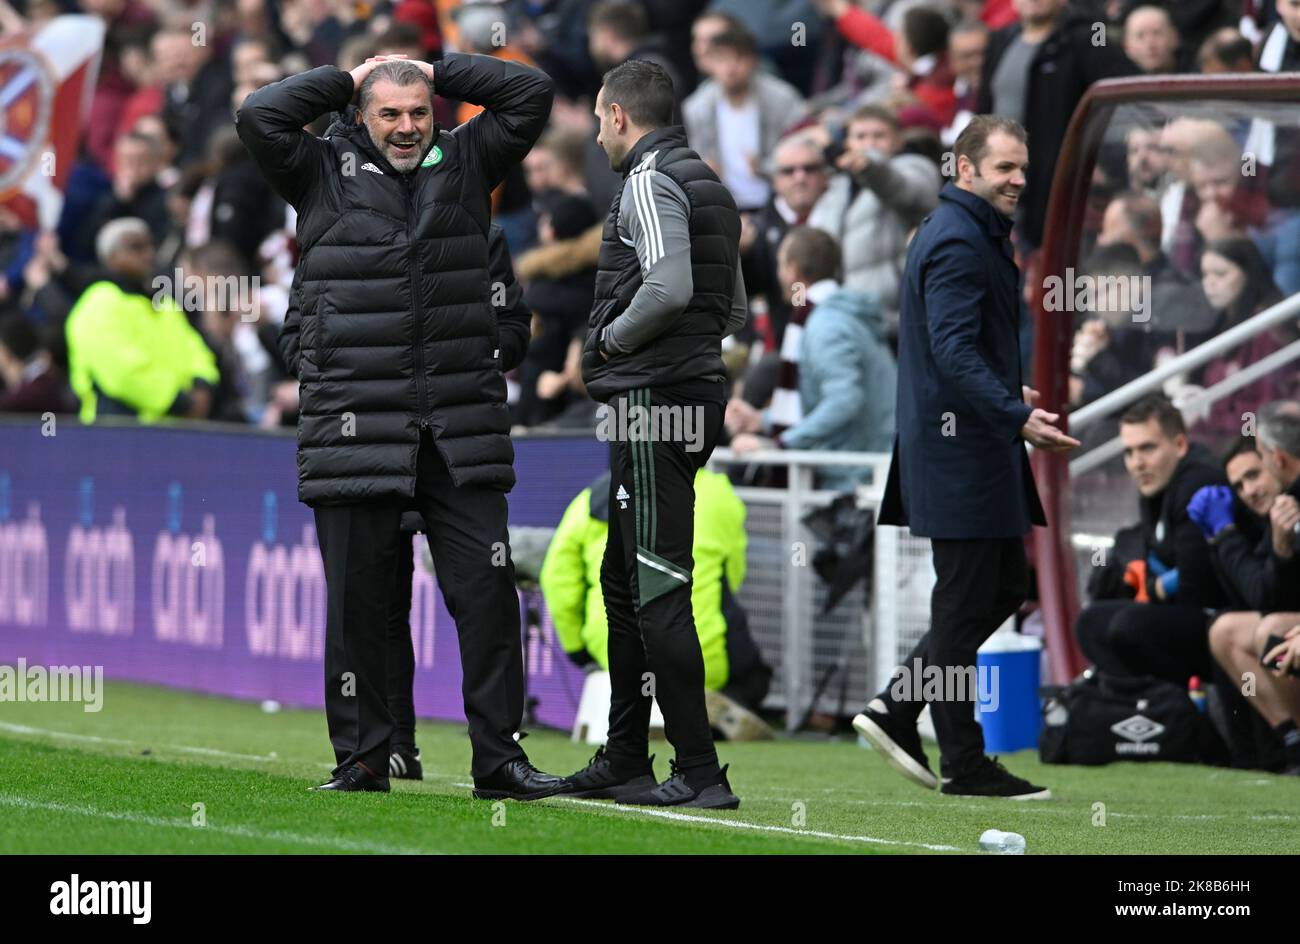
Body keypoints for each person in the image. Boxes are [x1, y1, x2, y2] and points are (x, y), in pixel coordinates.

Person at [236, 52, 569, 798]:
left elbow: (531, 92)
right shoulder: (317, 170)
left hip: (457, 428)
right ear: (361, 116)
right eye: (389, 113)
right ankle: (362, 759)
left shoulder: (471, 158)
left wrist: (438, 67)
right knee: (360, 609)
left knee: (485, 597)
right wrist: (347, 77)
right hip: (354, 428)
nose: (407, 127)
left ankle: (501, 761)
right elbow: (259, 115)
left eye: (419, 112)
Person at [855, 115, 1078, 800]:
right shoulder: (957, 239)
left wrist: (1004, 392)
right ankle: (948, 748)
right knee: (964, 600)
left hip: (967, 445)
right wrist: (1015, 414)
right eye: (1005, 167)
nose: (1018, 179)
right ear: (964, 169)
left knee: (999, 587)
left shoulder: (963, 232)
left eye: (1022, 167)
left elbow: (954, 349)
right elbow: (951, 351)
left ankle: (914, 721)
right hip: (960, 453)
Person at [565, 59, 748, 809]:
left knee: (656, 585)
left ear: (615, 116)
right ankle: (624, 757)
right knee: (622, 578)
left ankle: (700, 772)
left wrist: (608, 342)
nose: (595, 136)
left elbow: (668, 287)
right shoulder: (710, 182)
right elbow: (732, 311)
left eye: (596, 121)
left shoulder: (644, 180)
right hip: (693, 392)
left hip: (651, 398)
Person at [539, 467, 772, 752]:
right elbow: (733, 572)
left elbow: (556, 579)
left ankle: (659, 712)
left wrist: (577, 647)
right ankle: (710, 710)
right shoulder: (717, 491)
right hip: (698, 651)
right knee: (755, 676)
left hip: (613, 649)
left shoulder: (591, 498)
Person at [1075, 394, 1230, 683]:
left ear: (1180, 445)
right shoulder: (1157, 482)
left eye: (1147, 448)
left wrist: (1155, 587)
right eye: (1129, 452)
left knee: (1129, 626)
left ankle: (1172, 710)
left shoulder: (1198, 485)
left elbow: (1193, 590)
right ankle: (1136, 709)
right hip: (1184, 610)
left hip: (1220, 618)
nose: (1137, 463)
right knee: (1090, 621)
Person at [728, 225, 897, 490]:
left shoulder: (826, 326)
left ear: (793, 271)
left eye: (780, 265)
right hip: (857, 474)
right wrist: (762, 420)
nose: (778, 274)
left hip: (854, 482)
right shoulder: (830, 316)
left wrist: (782, 442)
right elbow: (819, 400)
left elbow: (845, 400)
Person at [64, 218, 219, 423]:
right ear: (111, 257)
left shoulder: (163, 303)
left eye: (150, 245)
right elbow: (121, 372)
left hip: (175, 432)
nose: (149, 254)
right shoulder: (97, 303)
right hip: (119, 435)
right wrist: (181, 402)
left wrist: (203, 386)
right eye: (136, 248)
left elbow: (196, 352)